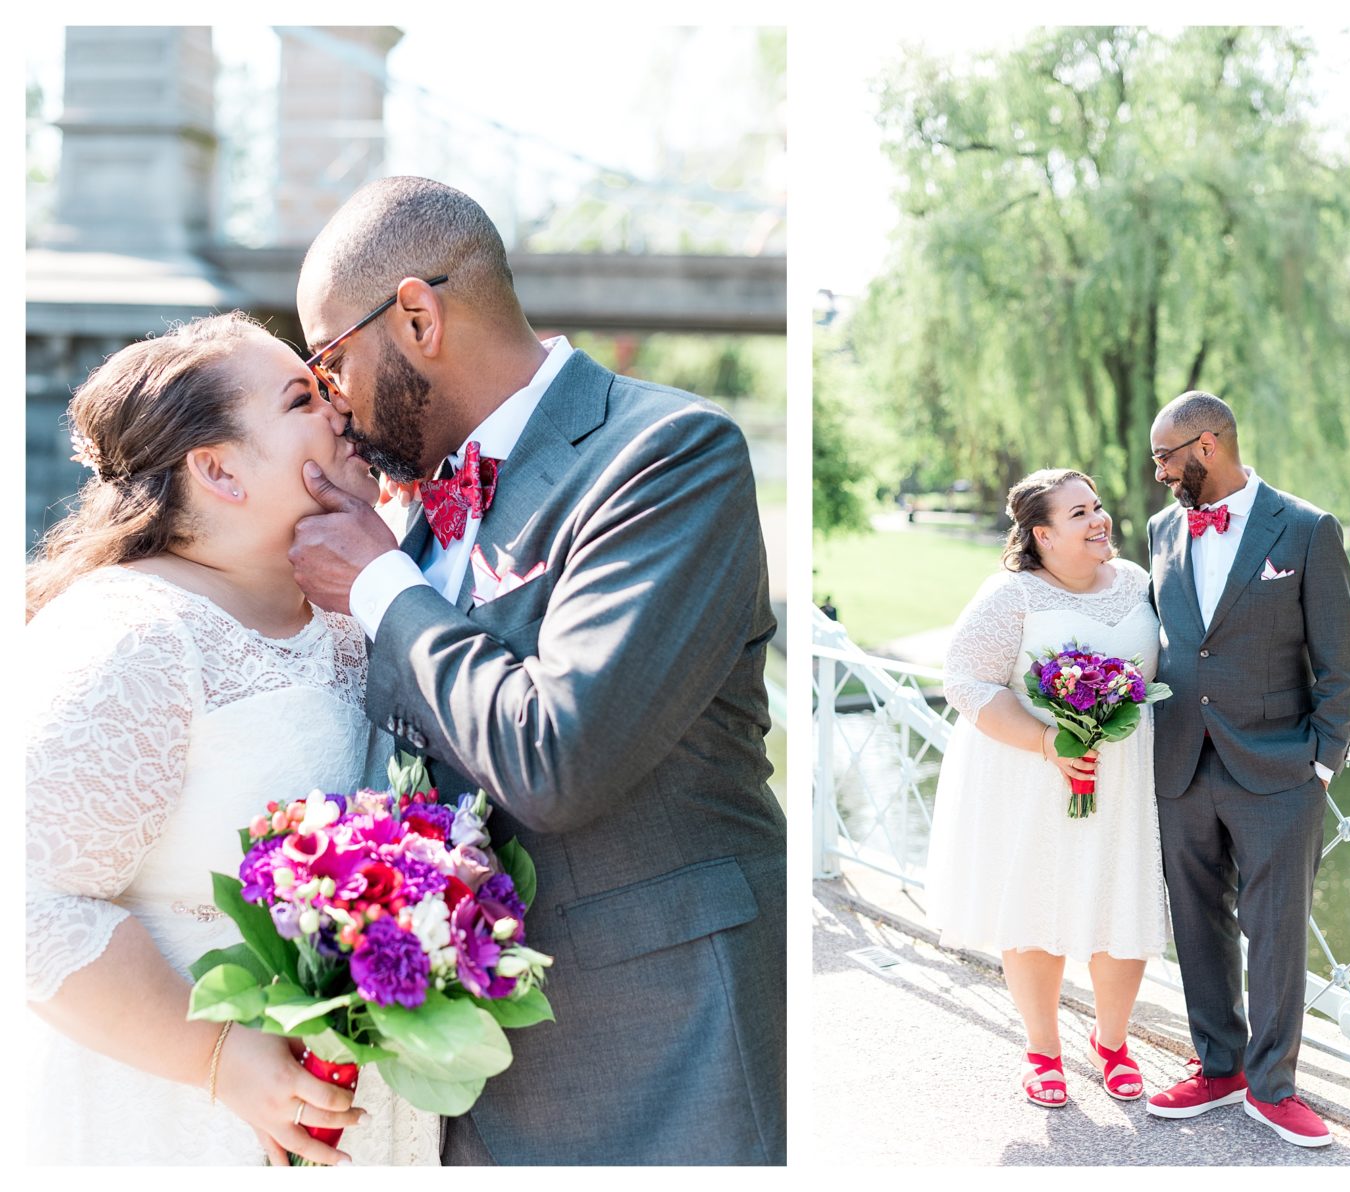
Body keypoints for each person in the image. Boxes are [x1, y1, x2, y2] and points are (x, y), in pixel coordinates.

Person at [287, 176, 786, 1165]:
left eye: (331, 362)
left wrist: (382, 587)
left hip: (662, 1057)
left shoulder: (665, 456)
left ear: (418, 318)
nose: (334, 404)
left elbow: (560, 756)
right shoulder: (413, 517)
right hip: (470, 1091)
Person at [24, 313, 438, 1165]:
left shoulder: (351, 616)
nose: (341, 406)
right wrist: (212, 1057)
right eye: (302, 398)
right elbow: (23, 903)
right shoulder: (135, 638)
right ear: (218, 469)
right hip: (169, 1124)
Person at [1143, 391, 1350, 1148]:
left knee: (1276, 931)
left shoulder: (1305, 528)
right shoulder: (1162, 529)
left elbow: (1340, 662)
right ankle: (1219, 1067)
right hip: (1181, 761)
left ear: (1207, 446)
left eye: (1165, 457)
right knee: (1196, 923)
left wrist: (1322, 764)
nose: (1159, 472)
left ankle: (1273, 1087)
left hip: (1278, 770)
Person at [924, 469, 1169, 1109]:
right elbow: (966, 681)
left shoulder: (1137, 583)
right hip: (1035, 779)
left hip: (1123, 779)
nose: (1099, 520)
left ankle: (1111, 1043)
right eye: (1079, 513)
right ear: (1042, 534)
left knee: (1122, 901)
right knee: (1035, 904)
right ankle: (1043, 1050)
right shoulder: (1011, 596)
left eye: (1097, 507)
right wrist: (1049, 743)